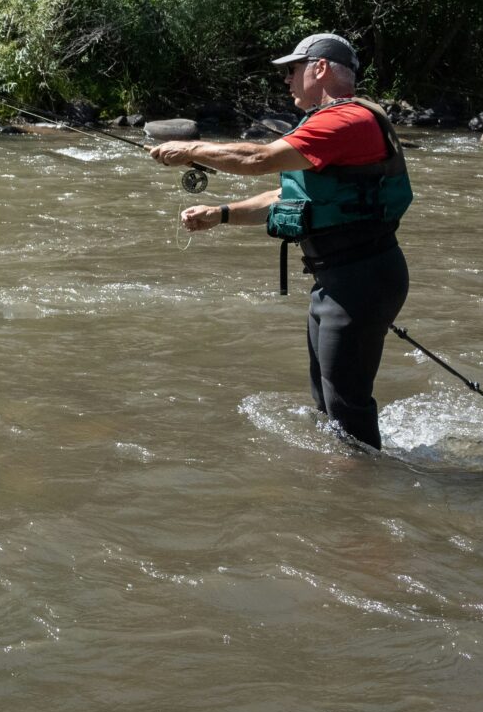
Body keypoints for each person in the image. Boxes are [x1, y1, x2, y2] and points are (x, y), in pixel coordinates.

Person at [150, 33, 412, 449]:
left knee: (346, 408)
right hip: (339, 281)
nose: (287, 81)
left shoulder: (347, 121)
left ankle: (361, 493)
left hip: (361, 279)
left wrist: (192, 149)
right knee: (327, 404)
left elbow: (258, 160)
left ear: (319, 68)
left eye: (292, 71)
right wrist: (220, 214)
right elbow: (289, 196)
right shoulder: (328, 124)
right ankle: (350, 488)